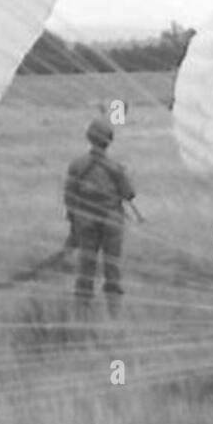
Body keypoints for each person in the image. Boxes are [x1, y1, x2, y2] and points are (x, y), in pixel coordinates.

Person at [65, 117, 136, 319]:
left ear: (89, 138)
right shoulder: (115, 167)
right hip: (112, 223)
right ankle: (115, 315)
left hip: (85, 222)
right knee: (112, 268)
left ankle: (81, 315)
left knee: (86, 267)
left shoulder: (77, 165)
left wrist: (73, 230)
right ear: (109, 140)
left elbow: (69, 198)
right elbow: (129, 194)